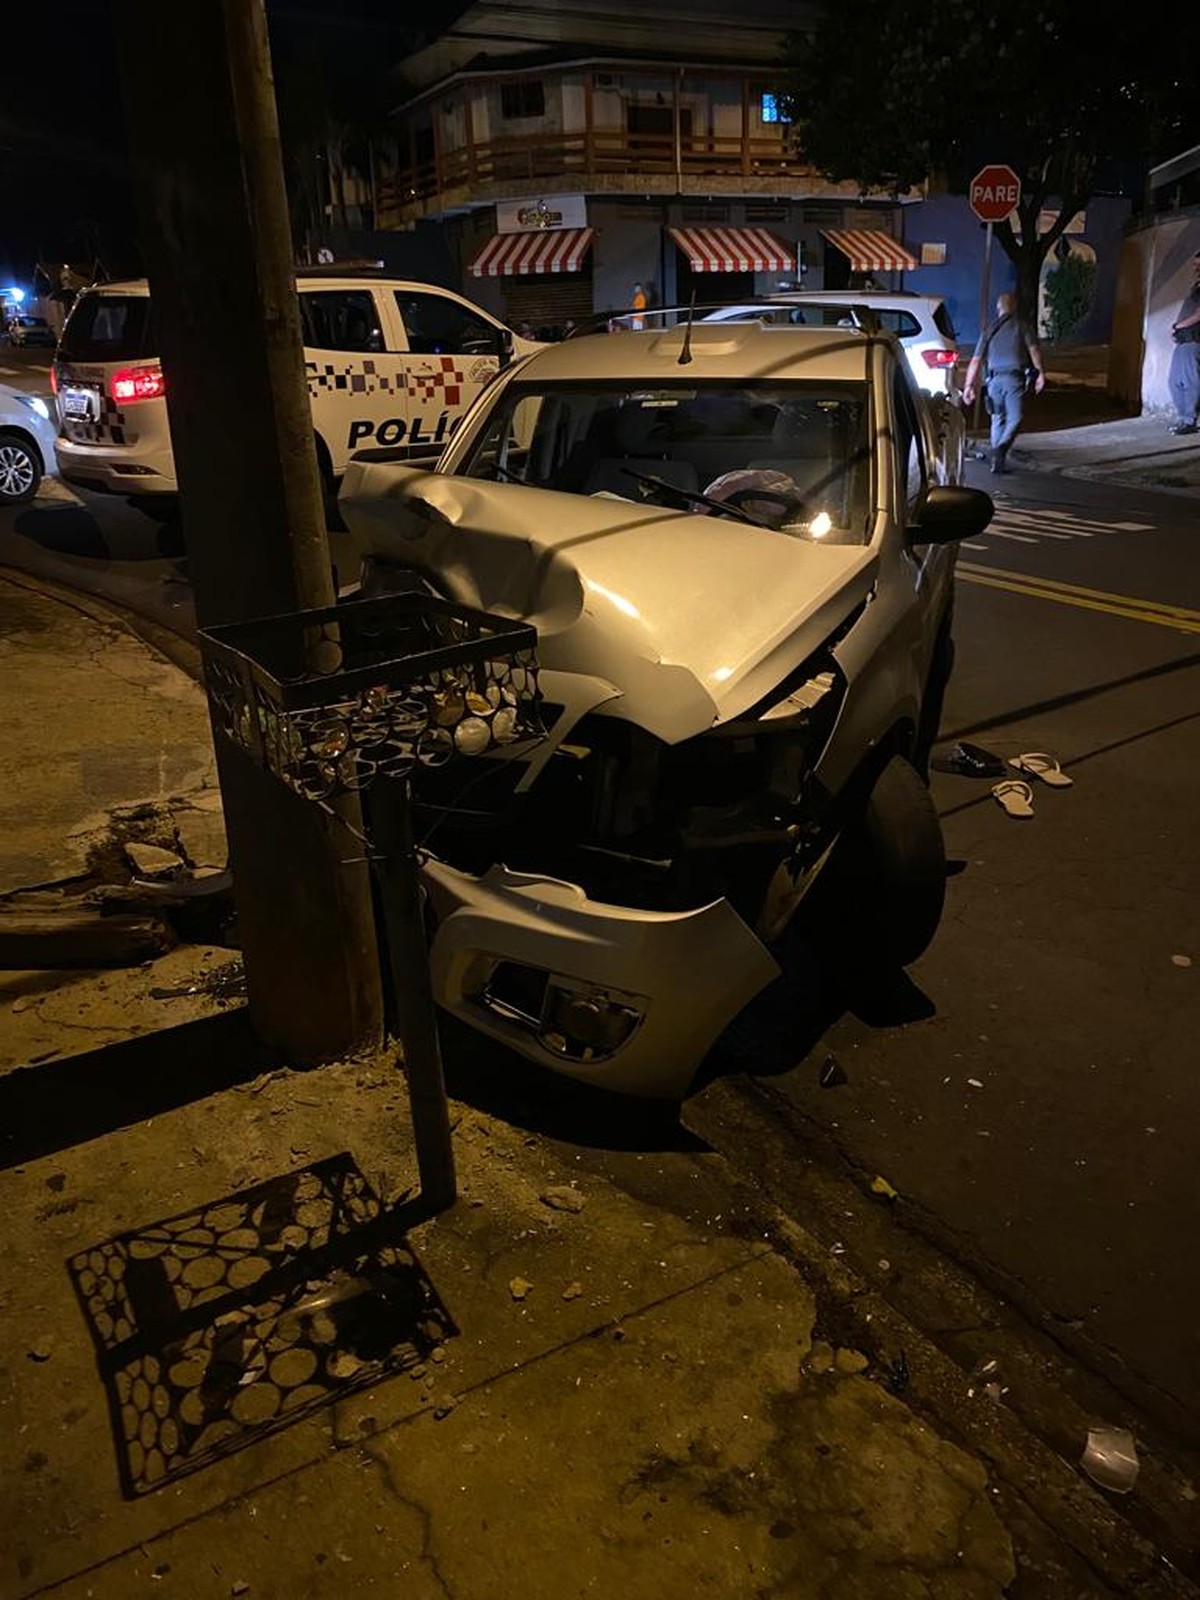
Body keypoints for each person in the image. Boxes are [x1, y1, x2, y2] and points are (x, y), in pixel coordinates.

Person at [962, 291, 1046, 474]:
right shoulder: (1022, 326)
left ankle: (996, 459)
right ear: (1014, 307)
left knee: (997, 418)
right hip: (1013, 379)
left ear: (998, 308)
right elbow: (1034, 351)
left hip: (992, 381)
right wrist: (1039, 373)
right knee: (1015, 418)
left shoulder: (989, 330)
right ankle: (1001, 449)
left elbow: (975, 360)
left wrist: (968, 386)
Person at [1167, 252, 1200, 436]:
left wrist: (1177, 326)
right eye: (1195, 265)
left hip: (1194, 340)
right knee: (1174, 382)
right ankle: (1183, 419)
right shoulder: (1196, 287)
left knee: (1190, 381)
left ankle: (1189, 420)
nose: (1196, 268)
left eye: (1199, 265)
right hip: (1183, 340)